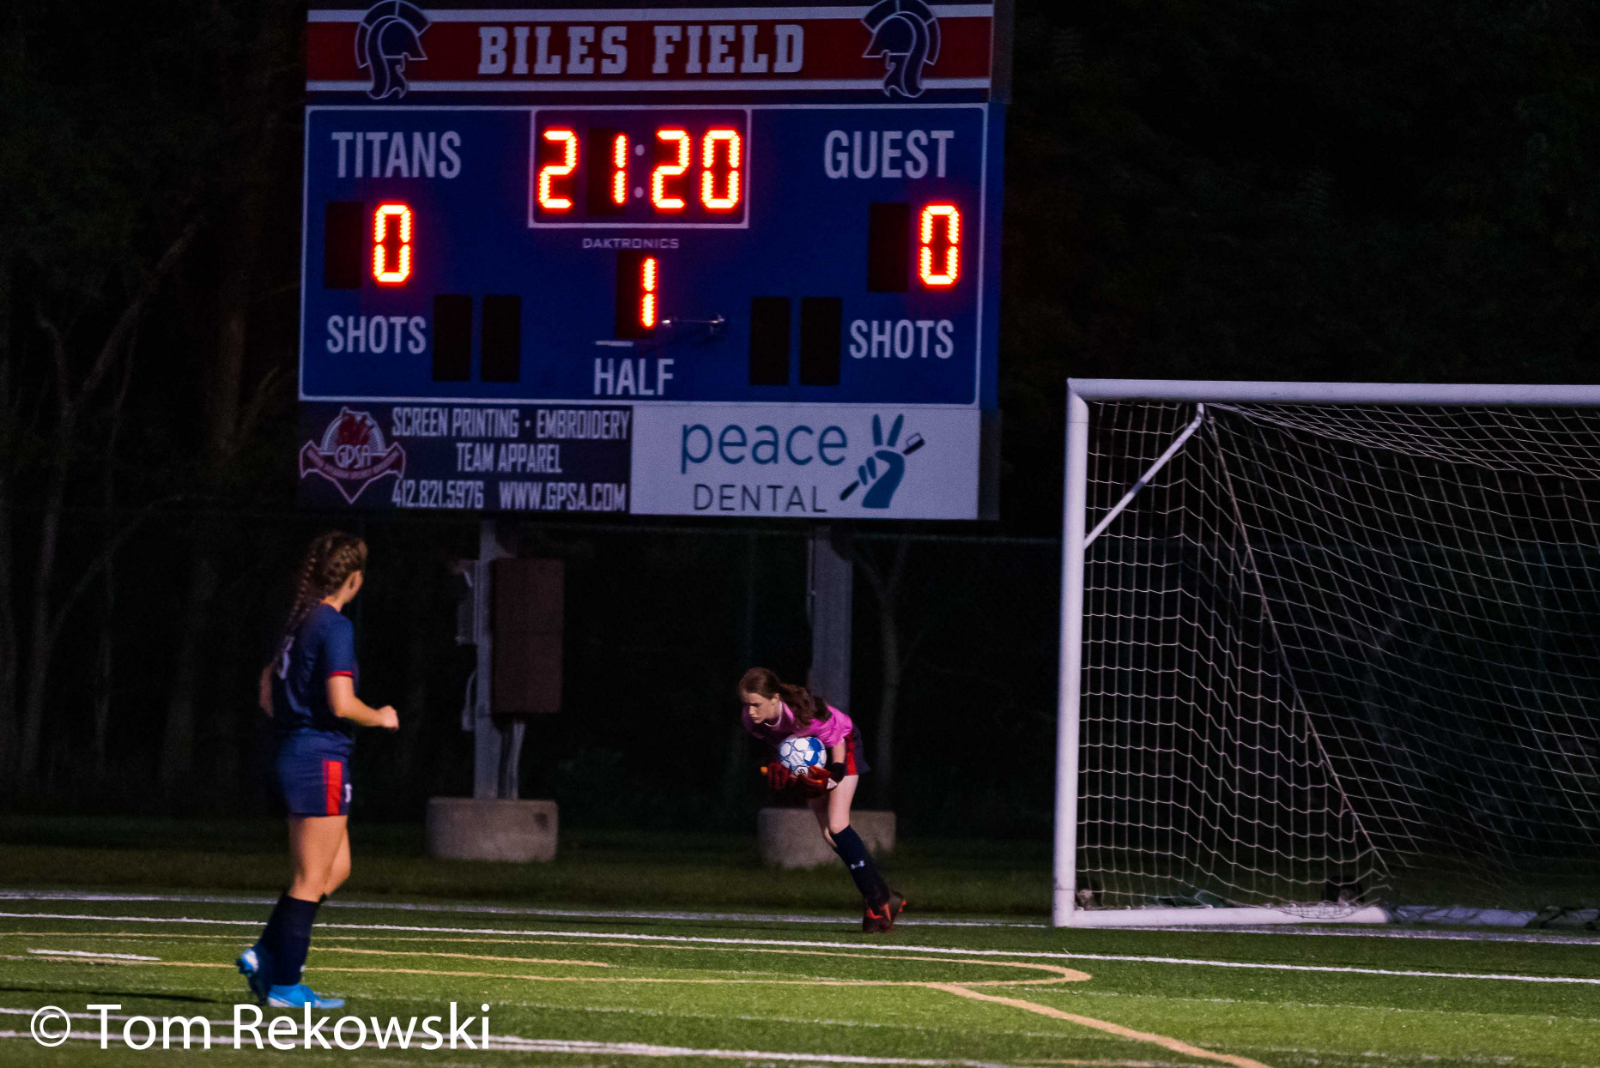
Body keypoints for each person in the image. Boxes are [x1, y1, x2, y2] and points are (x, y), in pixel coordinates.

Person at [237, 532, 399, 1008]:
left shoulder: (295, 622)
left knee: (336, 868)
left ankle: (266, 952)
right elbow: (341, 702)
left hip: (292, 752)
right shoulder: (334, 626)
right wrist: (381, 716)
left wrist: (295, 720)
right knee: (310, 877)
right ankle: (285, 984)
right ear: (354, 579)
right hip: (319, 760)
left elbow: (267, 690)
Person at [739, 666, 905, 933]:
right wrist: (783, 765)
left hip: (842, 746)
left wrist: (836, 771)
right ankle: (886, 894)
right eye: (747, 705)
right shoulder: (752, 720)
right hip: (813, 756)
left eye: (756, 704)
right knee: (829, 835)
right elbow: (780, 745)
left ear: (775, 699)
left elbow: (836, 739)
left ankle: (876, 902)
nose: (751, 711)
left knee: (838, 825)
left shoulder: (804, 715)